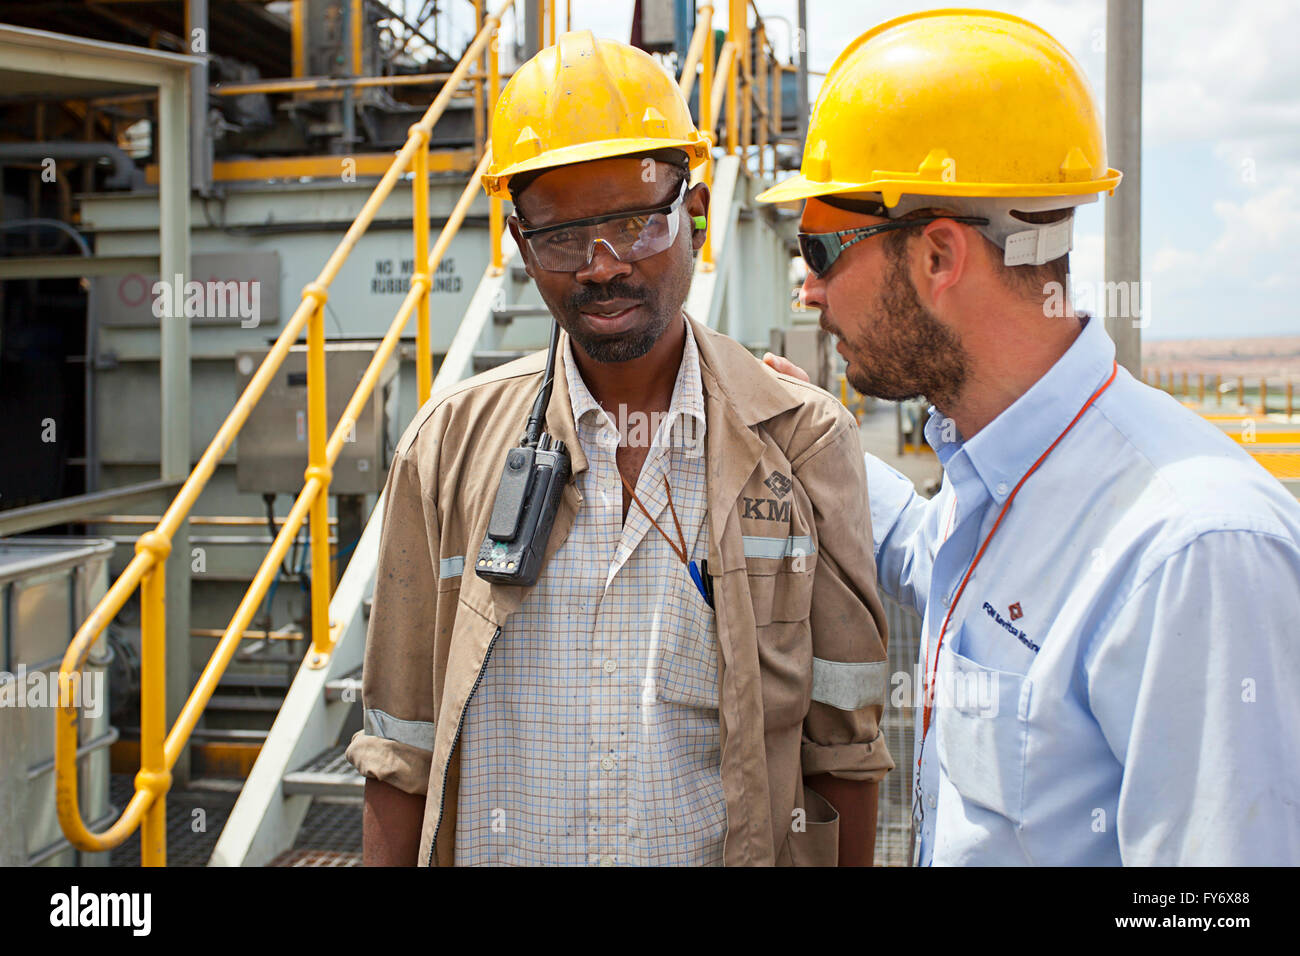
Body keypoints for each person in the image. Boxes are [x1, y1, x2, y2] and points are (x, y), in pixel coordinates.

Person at [759, 9, 1300, 865]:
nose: (807, 293)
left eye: (820, 248)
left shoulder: (1192, 555)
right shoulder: (1005, 478)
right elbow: (917, 544)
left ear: (938, 257)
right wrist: (812, 439)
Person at [346, 31, 893, 867]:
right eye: (563, 237)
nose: (602, 268)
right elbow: (399, 750)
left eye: (638, 224)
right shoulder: (446, 451)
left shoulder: (804, 443)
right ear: (522, 245)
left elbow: (844, 745)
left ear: (699, 216)